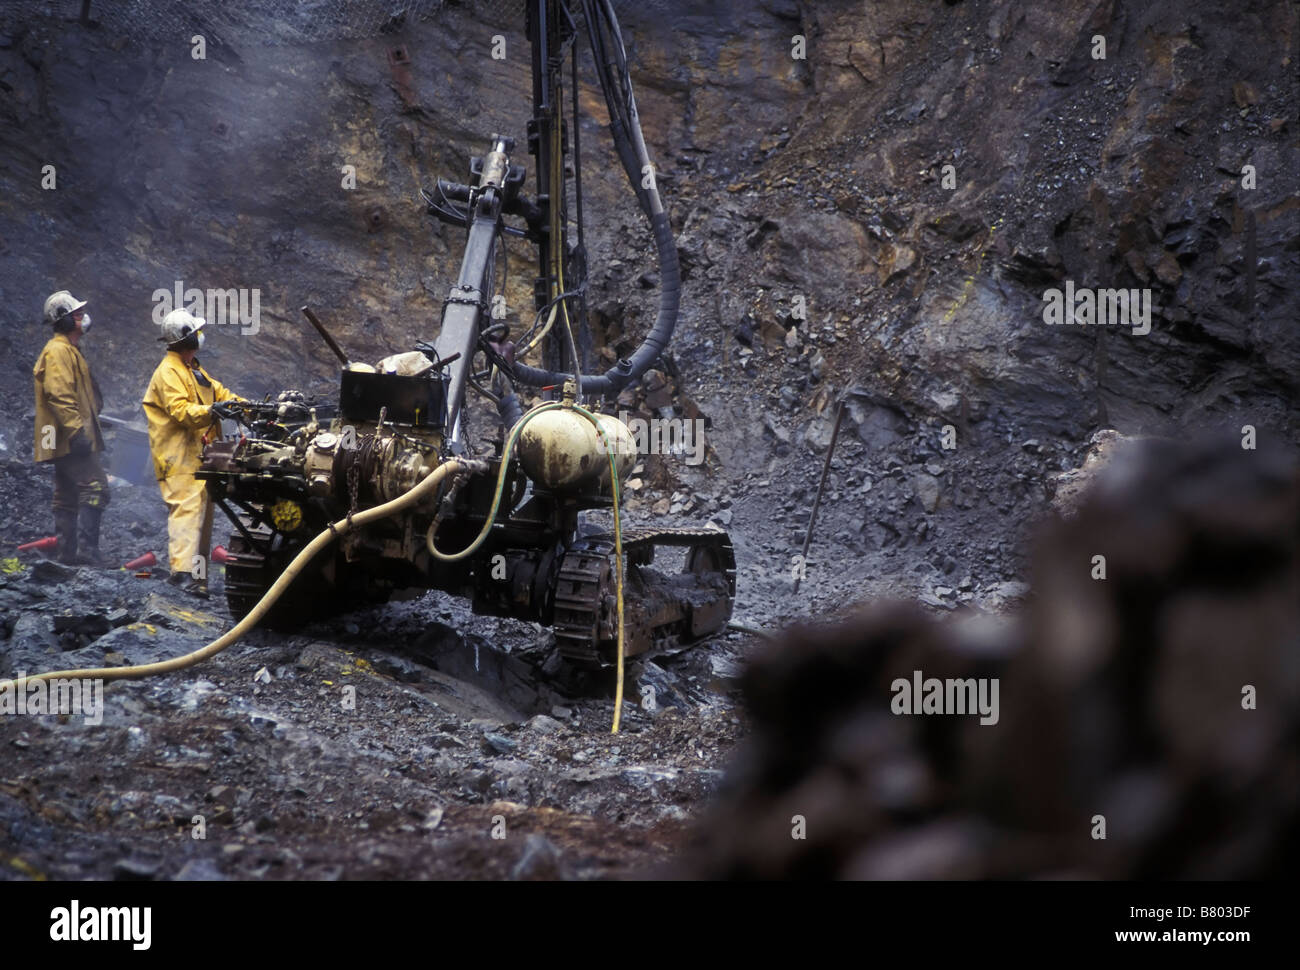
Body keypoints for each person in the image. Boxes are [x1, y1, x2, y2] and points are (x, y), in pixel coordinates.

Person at [142, 309, 244, 598]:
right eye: (197, 332)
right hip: (177, 455)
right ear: (186, 337)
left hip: (199, 455)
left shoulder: (193, 370)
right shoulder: (169, 372)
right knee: (186, 511)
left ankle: (197, 580)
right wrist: (212, 411)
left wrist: (250, 408)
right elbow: (181, 411)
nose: (201, 336)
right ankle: (181, 574)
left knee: (203, 518)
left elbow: (221, 394)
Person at [33, 290, 110, 565]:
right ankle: (87, 553)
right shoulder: (58, 351)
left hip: (62, 436)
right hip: (67, 436)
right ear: (63, 320)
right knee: (96, 487)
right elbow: (59, 394)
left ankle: (66, 555)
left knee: (66, 494)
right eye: (77, 315)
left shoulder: (68, 350)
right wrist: (77, 431)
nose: (83, 318)